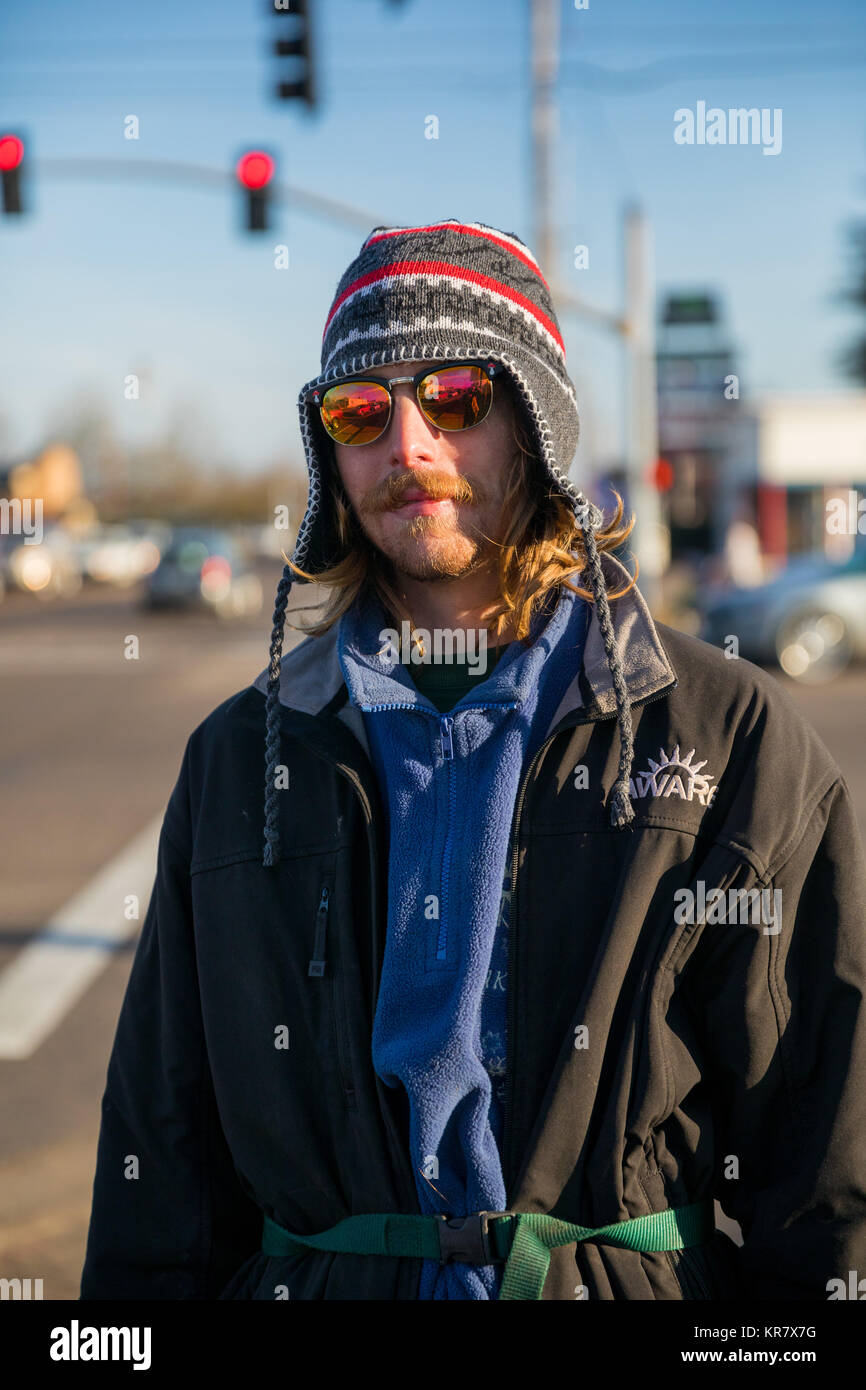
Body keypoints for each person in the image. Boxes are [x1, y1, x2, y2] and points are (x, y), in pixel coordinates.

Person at [80, 219, 866, 1301]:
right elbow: (157, 1166)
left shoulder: (724, 737)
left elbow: (830, 1177)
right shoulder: (239, 761)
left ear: (533, 422)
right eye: (360, 410)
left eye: (453, 397)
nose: (406, 445)